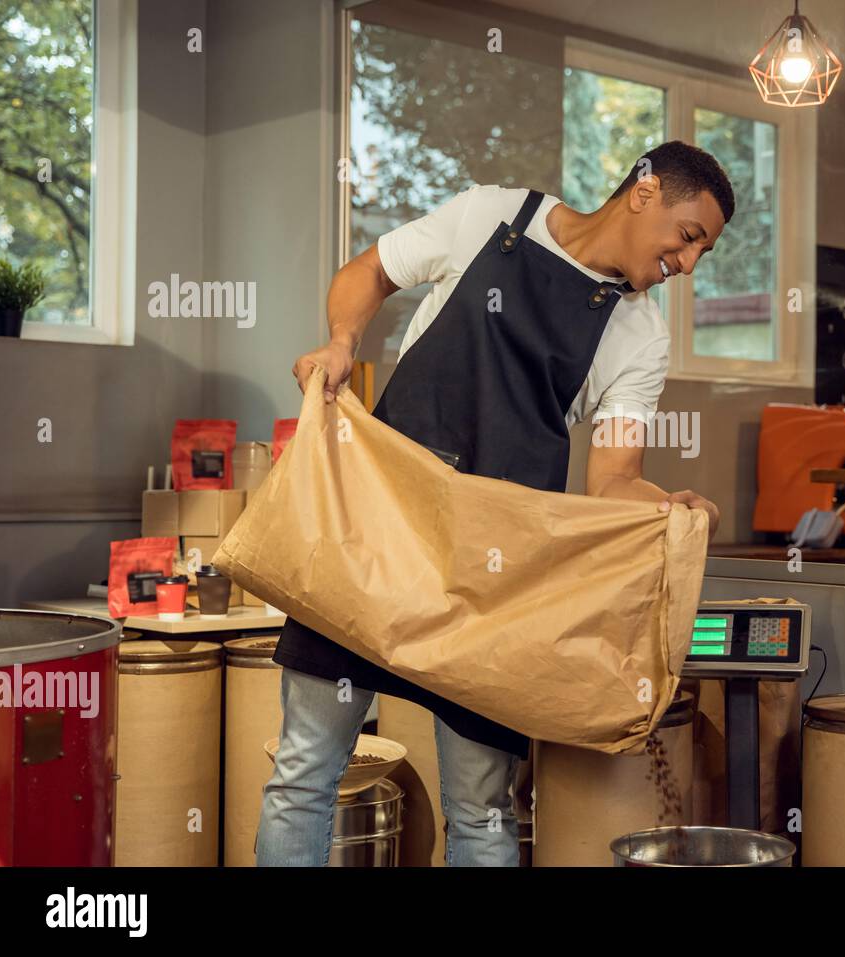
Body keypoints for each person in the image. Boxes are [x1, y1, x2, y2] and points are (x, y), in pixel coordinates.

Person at [257, 141, 732, 866]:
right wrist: (340, 344)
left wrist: (668, 508)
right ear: (644, 190)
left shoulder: (640, 334)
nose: (689, 263)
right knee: (304, 775)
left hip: (495, 577)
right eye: (689, 235)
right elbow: (370, 272)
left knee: (480, 811)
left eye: (703, 250)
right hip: (377, 530)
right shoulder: (493, 214)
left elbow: (613, 478)